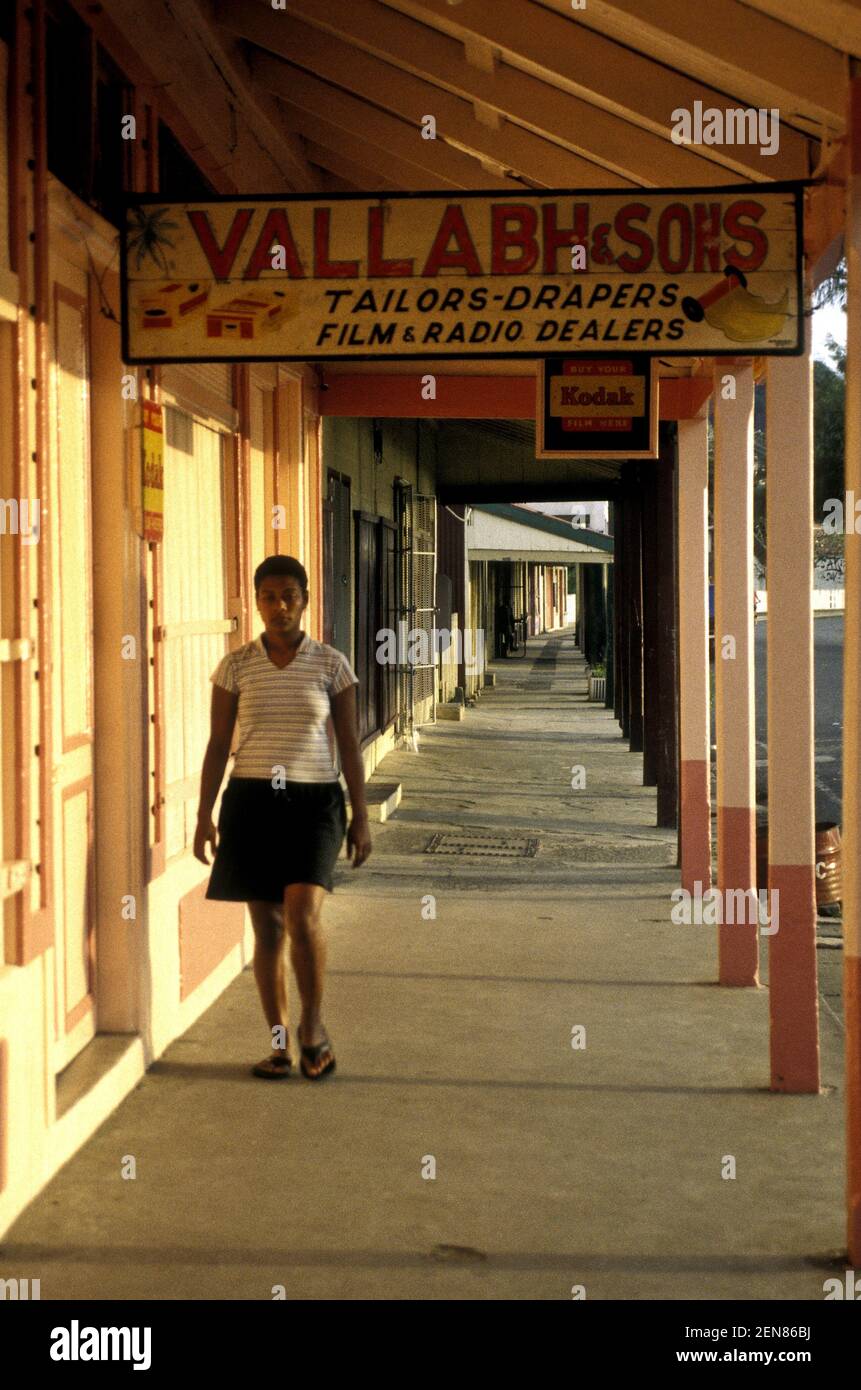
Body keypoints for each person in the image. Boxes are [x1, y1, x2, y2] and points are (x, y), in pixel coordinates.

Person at [193, 555, 372, 1081]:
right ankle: (278, 1044)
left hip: (316, 803)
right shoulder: (235, 666)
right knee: (267, 929)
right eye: (268, 597)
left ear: (306, 600)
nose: (279, 606)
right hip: (250, 803)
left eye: (289, 595)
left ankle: (312, 1028)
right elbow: (218, 743)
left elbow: (348, 744)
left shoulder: (332, 666)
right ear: (256, 602)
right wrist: (204, 815)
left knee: (301, 915)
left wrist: (360, 815)